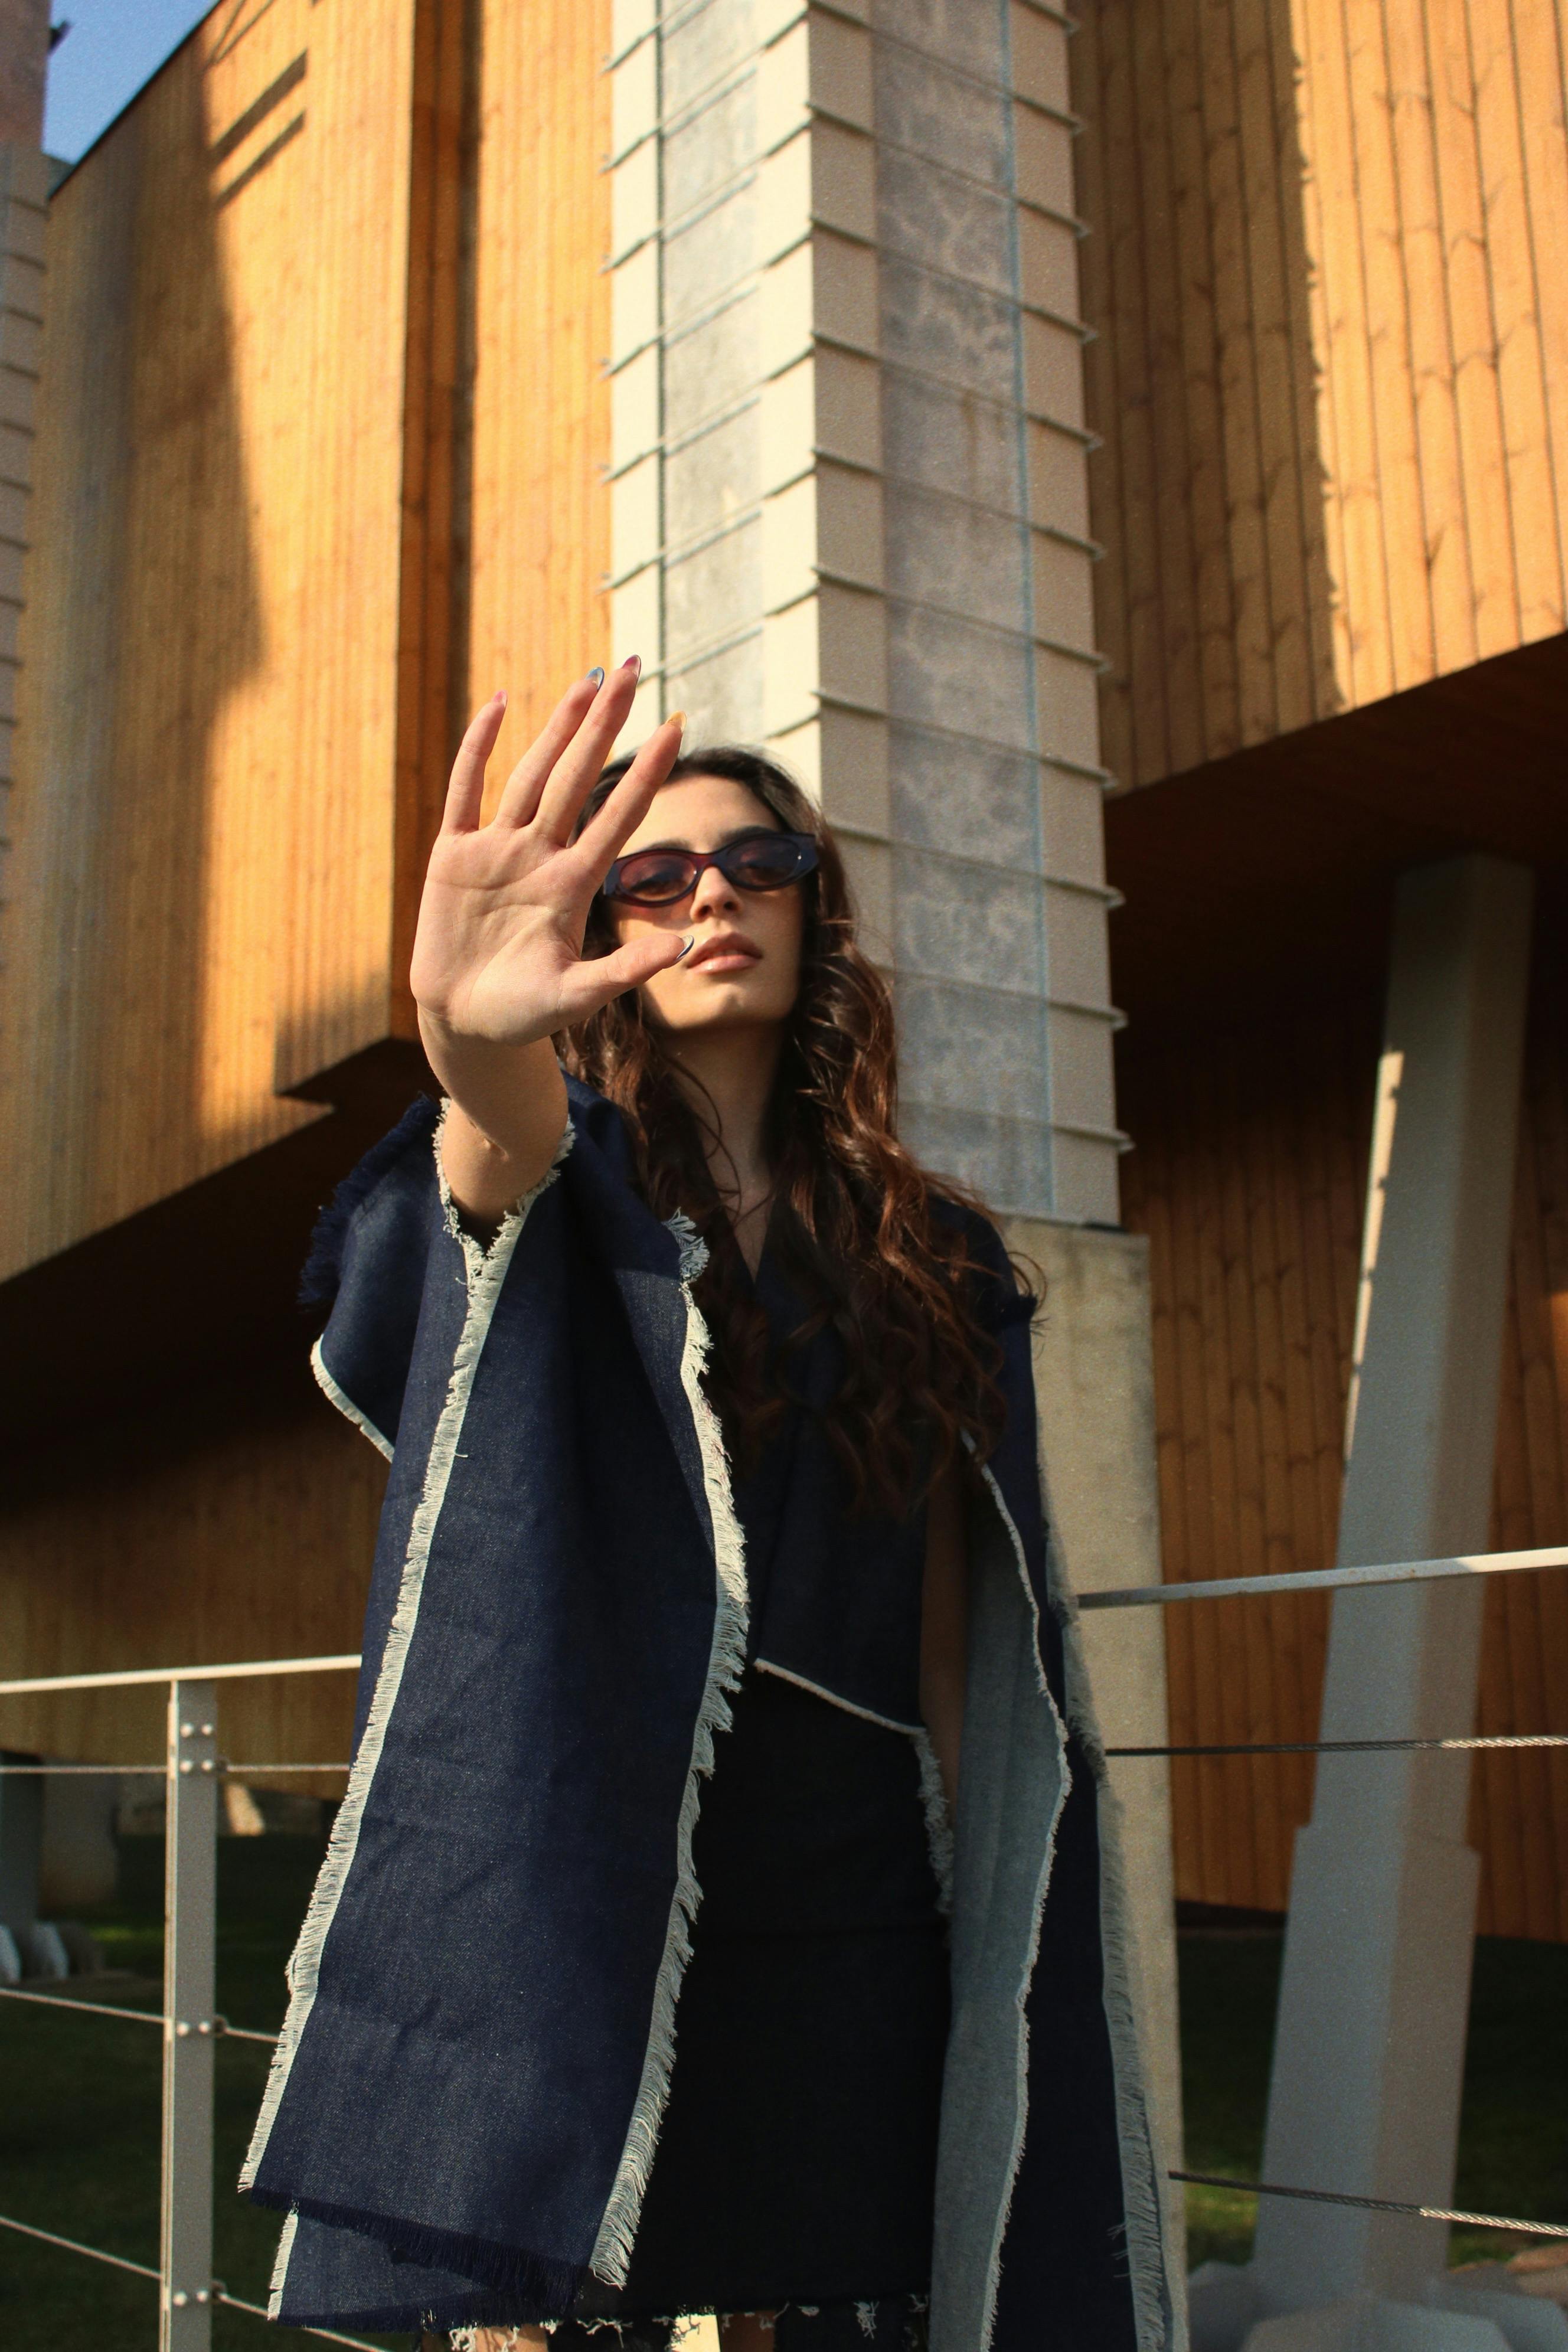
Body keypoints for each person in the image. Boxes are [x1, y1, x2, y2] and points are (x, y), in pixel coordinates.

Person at [240, 660, 1177, 2352]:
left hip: (858, 1912)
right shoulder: (569, 1179)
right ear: (601, 925)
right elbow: (489, 1162)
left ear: (818, 912)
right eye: (652, 877)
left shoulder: (933, 1252)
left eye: (759, 865)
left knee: (839, 2304)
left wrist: (990, 1961)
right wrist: (464, 1036)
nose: (711, 899)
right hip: (594, 1880)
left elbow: (966, 1637)